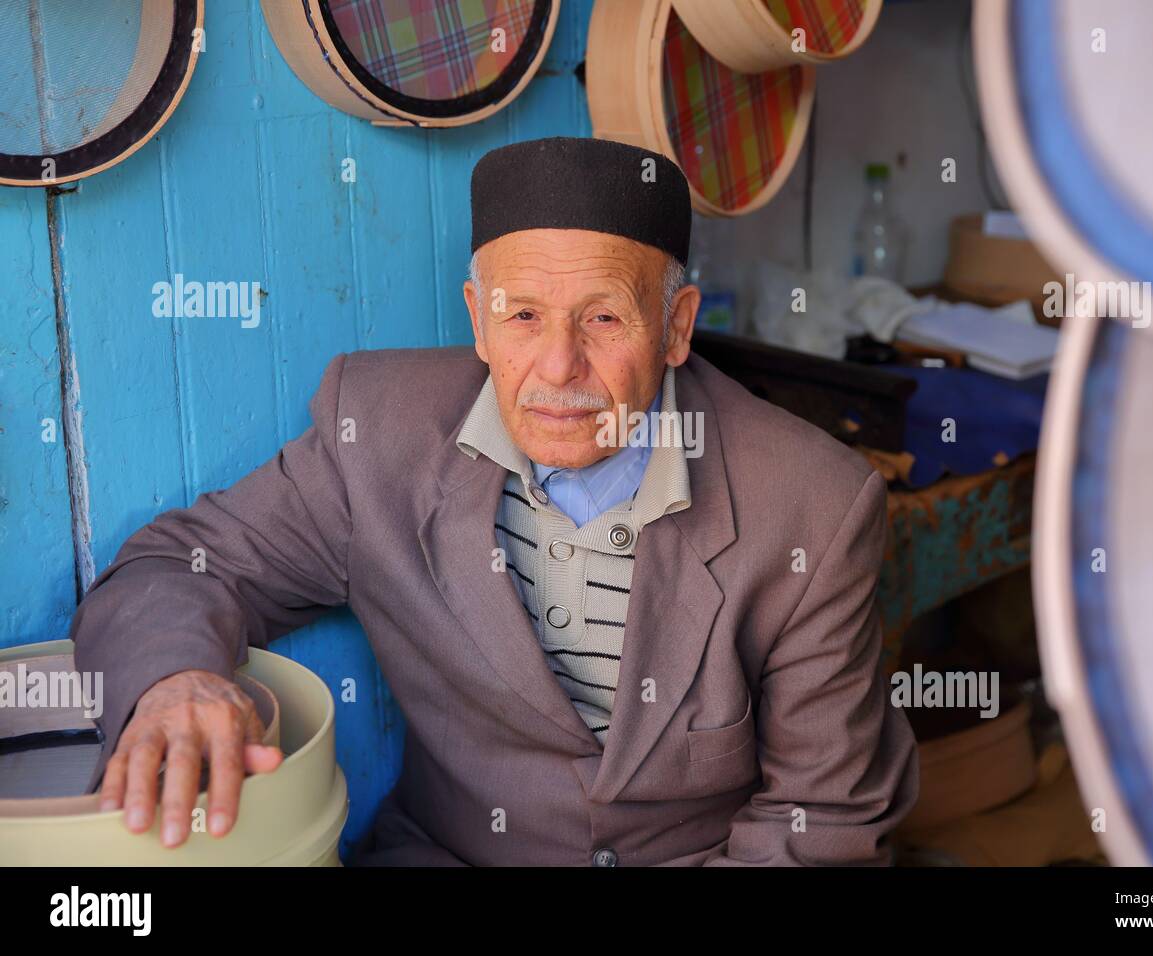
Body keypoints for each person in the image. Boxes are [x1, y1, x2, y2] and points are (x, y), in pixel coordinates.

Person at [69, 136, 918, 865]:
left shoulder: (812, 504)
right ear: (477, 320)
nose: (557, 369)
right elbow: (176, 566)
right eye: (521, 317)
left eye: (604, 320)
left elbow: (825, 816)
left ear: (677, 327)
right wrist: (175, 680)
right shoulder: (378, 437)